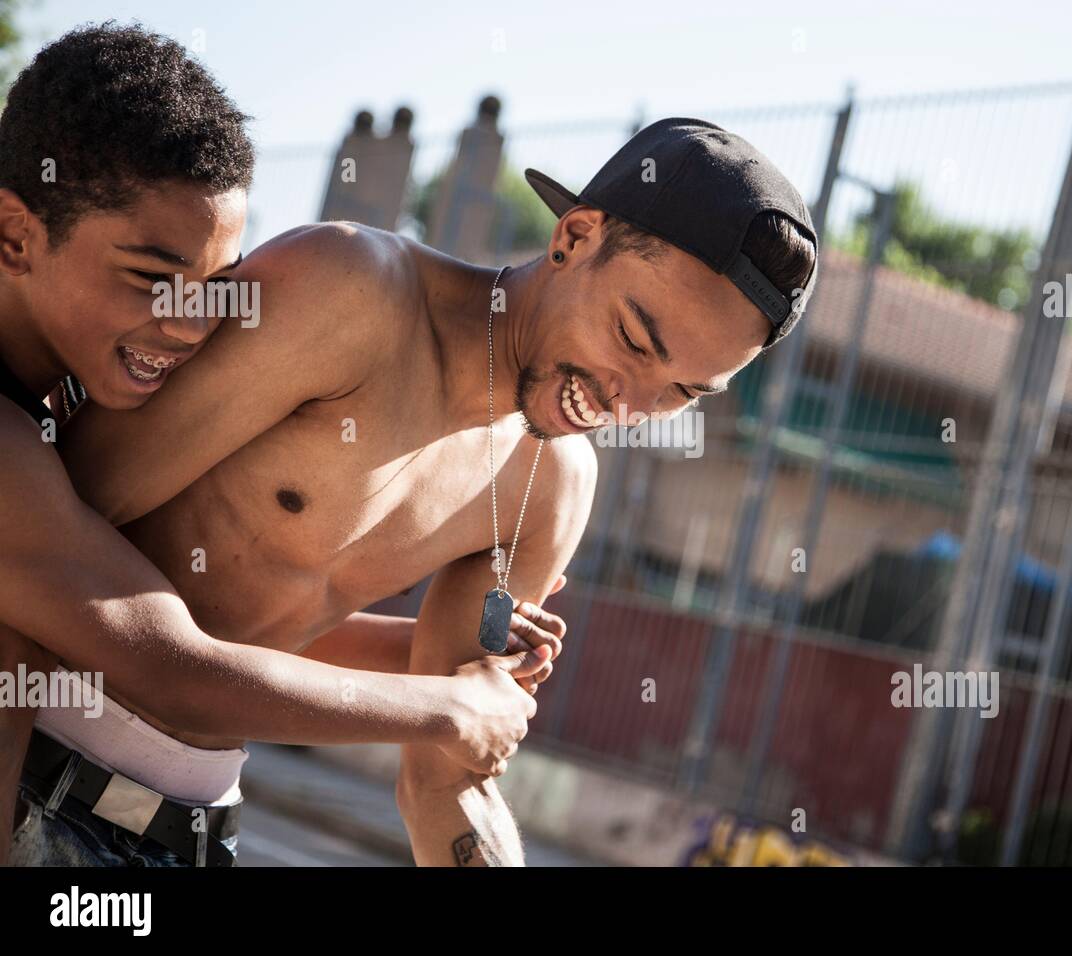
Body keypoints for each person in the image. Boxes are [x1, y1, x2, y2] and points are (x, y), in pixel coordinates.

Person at [43, 116, 819, 866]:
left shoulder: (551, 483)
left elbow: (446, 780)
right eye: (632, 339)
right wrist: (442, 702)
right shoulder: (350, 292)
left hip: (195, 828)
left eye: (682, 390)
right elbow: (57, 544)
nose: (629, 404)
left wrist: (446, 697)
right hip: (36, 765)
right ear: (574, 238)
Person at [0, 24, 556, 868]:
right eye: (151, 279)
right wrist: (446, 708)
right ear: (15, 234)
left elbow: (169, 603)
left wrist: (435, 653)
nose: (187, 325)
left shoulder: (71, 390)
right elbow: (173, 667)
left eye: (217, 288)